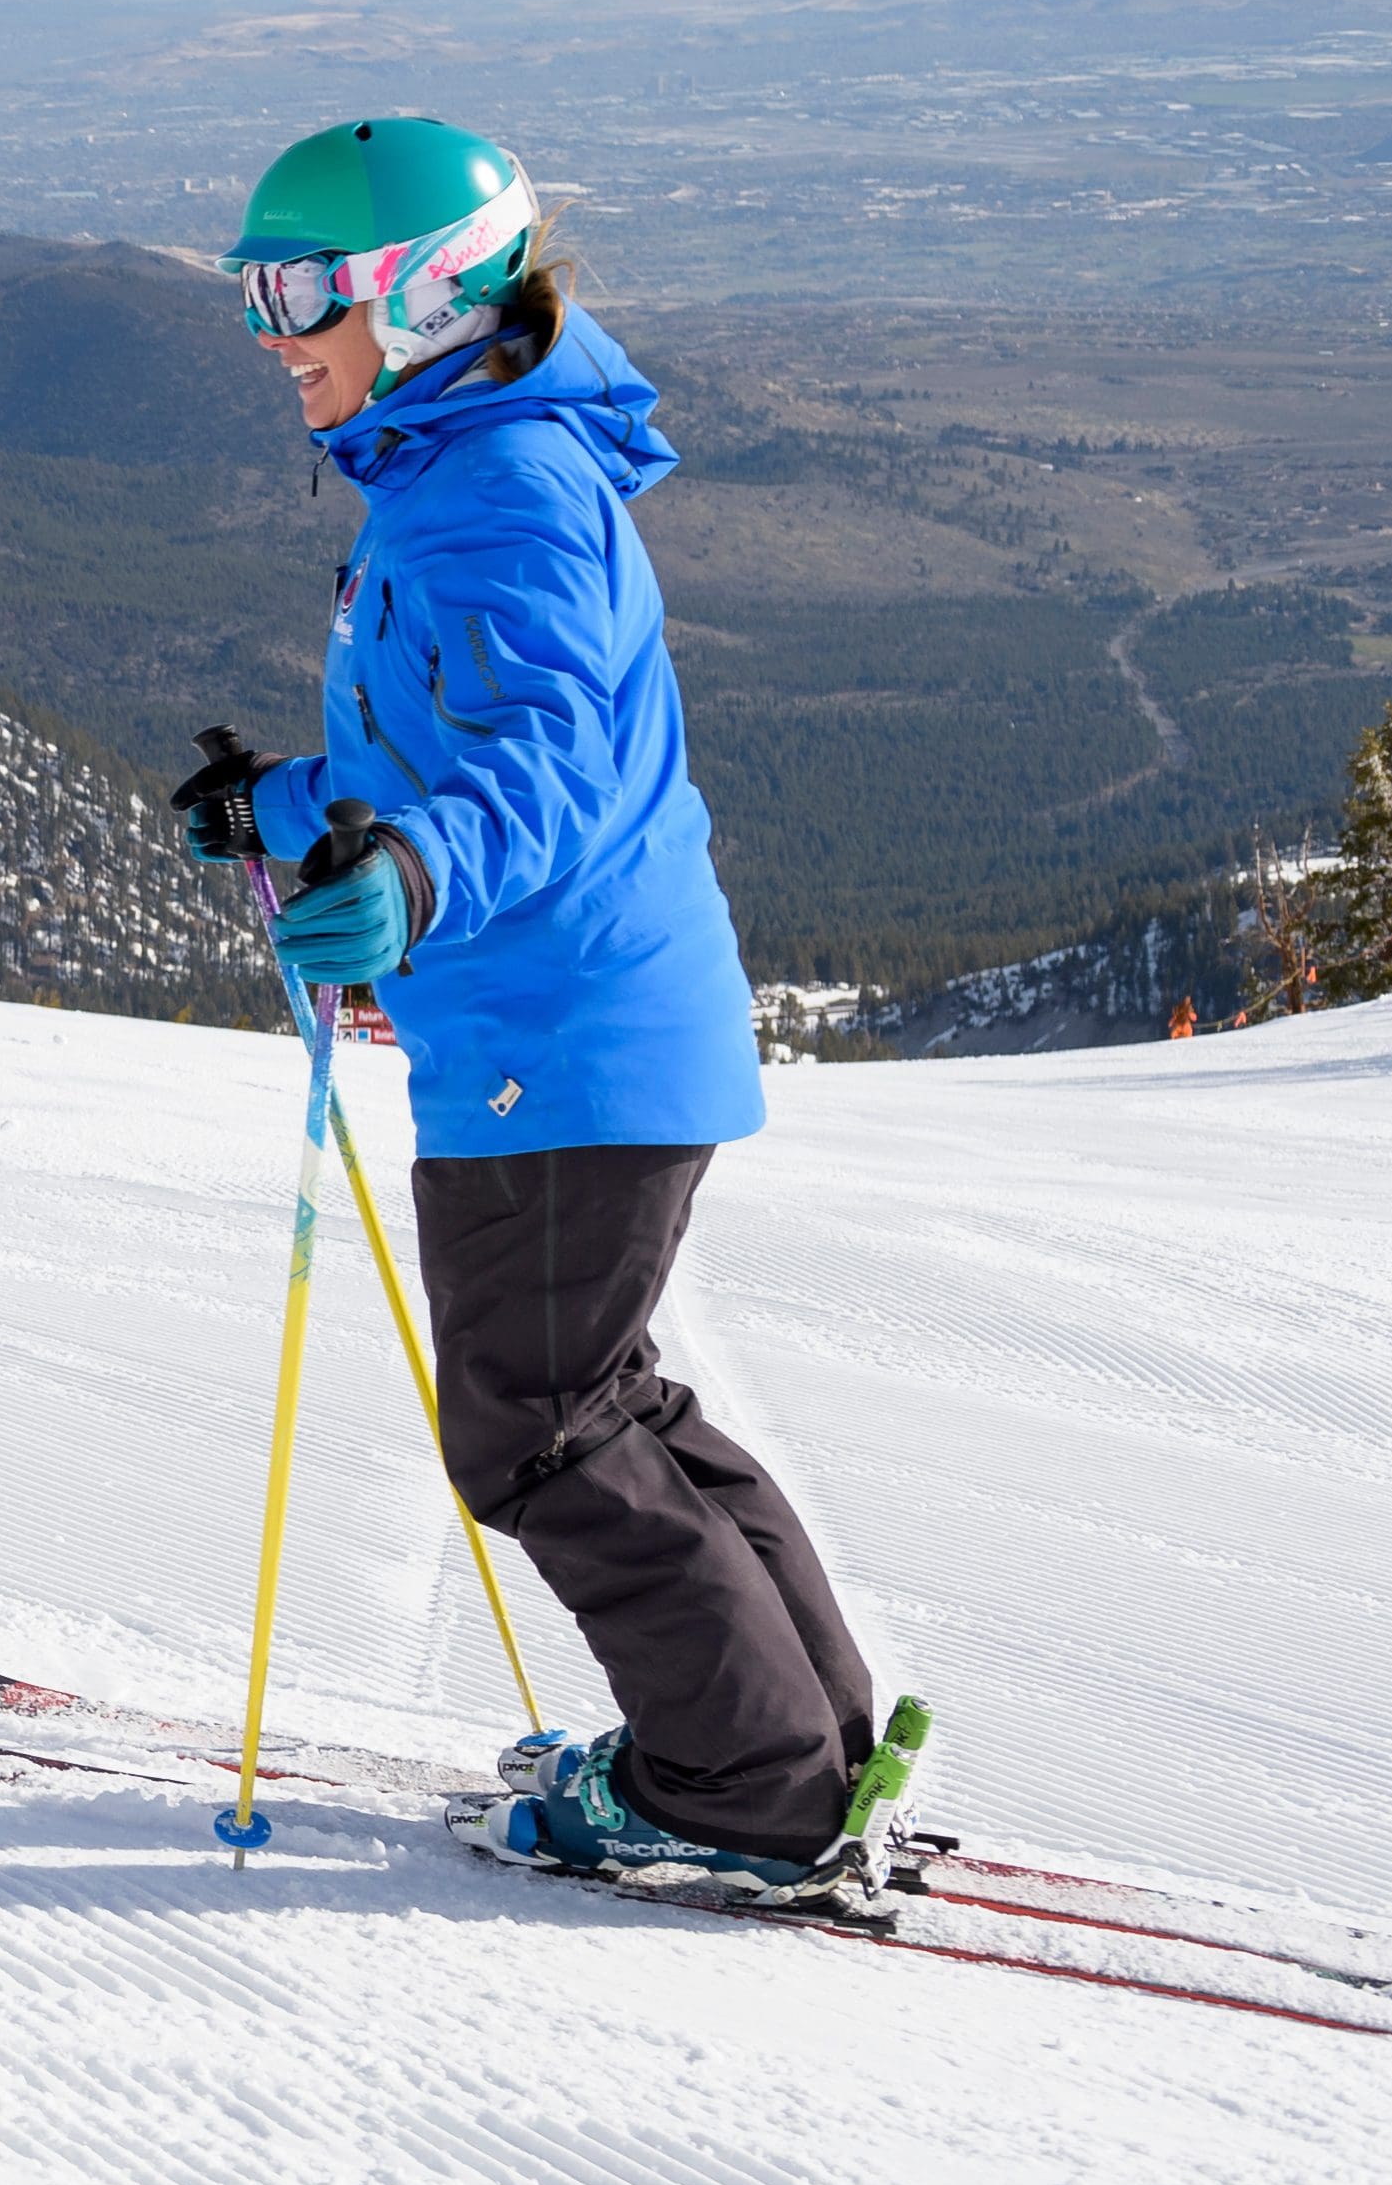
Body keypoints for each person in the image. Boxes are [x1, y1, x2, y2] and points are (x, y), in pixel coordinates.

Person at [174, 116, 881, 1895]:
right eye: (249, 295)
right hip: (582, 1033)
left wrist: (407, 878)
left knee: (532, 1421)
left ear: (419, 295)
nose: (270, 336)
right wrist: (272, 805)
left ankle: (739, 1783)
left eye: (301, 295)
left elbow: (545, 762)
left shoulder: (501, 492)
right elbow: (431, 738)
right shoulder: (451, 463)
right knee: (597, 1397)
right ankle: (796, 1744)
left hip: (554, 1044)